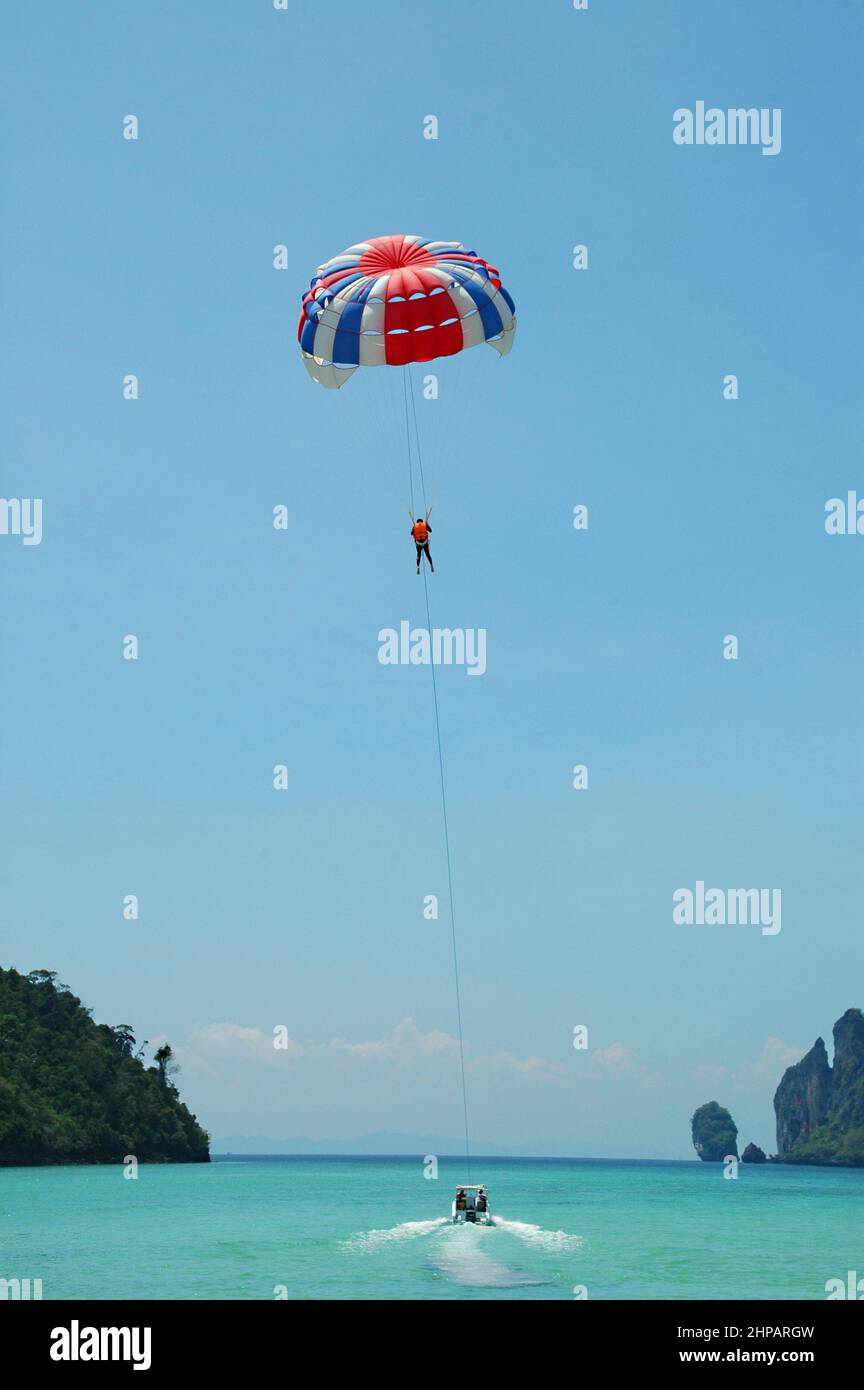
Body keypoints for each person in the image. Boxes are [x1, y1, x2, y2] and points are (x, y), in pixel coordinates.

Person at [409, 508, 434, 574]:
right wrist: (427, 524)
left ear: (417, 522)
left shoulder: (415, 525)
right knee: (427, 554)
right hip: (425, 541)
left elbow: (411, 533)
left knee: (418, 554)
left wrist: (413, 526)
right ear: (422, 521)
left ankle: (418, 566)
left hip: (418, 542)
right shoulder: (424, 524)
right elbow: (431, 531)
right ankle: (431, 564)